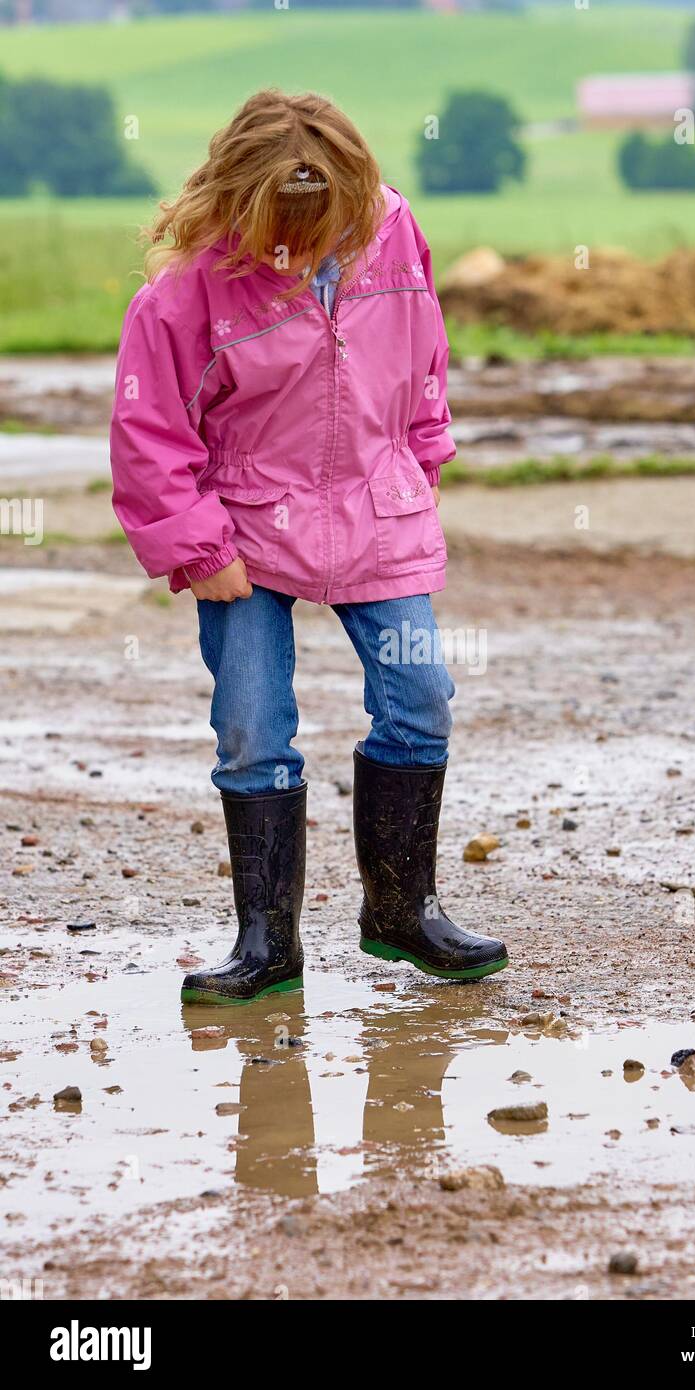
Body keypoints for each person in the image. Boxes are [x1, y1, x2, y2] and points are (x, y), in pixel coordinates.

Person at [109, 89, 508, 1003]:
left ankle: (402, 913)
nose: (302, 249)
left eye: (324, 226)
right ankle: (266, 944)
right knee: (252, 727)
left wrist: (423, 462)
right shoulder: (181, 296)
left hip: (380, 510)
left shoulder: (394, 233)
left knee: (422, 700)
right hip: (243, 531)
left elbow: (425, 354)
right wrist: (198, 548)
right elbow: (149, 433)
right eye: (280, 232)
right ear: (237, 204)